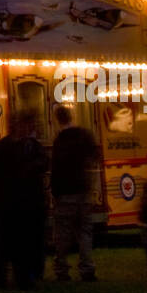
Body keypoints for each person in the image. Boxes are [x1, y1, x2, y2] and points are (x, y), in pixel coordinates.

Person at [0, 109, 48, 288]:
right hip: (24, 200)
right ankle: (25, 276)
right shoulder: (30, 146)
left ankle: (9, 276)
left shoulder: (4, 146)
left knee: (11, 240)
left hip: (11, 200)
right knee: (25, 240)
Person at [50, 104, 98, 281]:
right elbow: (93, 155)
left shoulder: (59, 141)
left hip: (65, 192)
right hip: (82, 189)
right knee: (84, 231)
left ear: (57, 120)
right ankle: (87, 268)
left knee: (63, 233)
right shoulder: (83, 135)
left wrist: (54, 192)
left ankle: (61, 268)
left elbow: (55, 169)